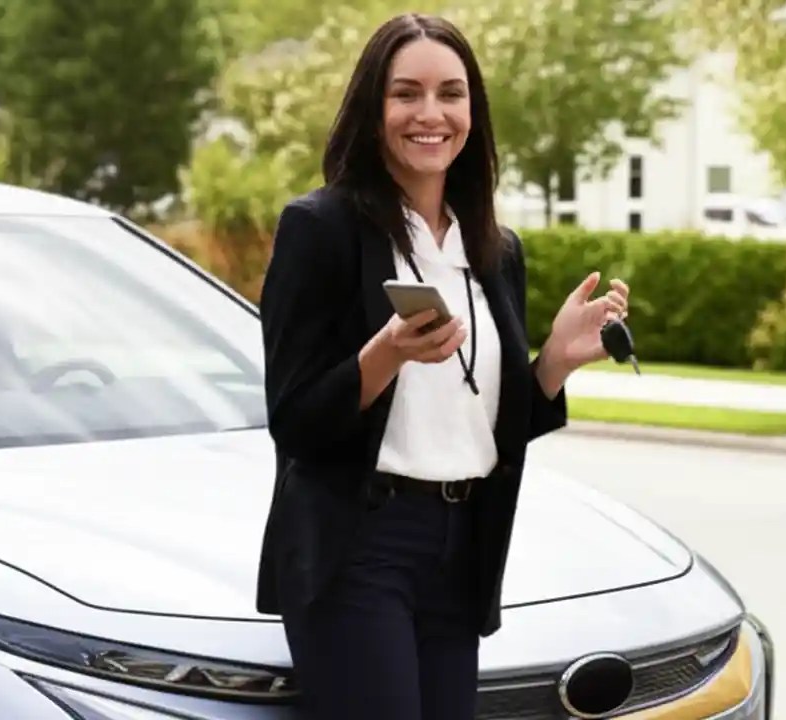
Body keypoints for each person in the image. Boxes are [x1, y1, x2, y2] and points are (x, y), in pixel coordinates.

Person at [253, 12, 632, 720]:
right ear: (373, 111)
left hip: (460, 547)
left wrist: (553, 361)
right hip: (360, 548)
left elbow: (480, 421)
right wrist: (387, 351)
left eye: (451, 94)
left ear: (473, 113)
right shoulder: (322, 230)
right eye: (406, 94)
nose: (431, 114)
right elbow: (295, 420)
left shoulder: (494, 248)